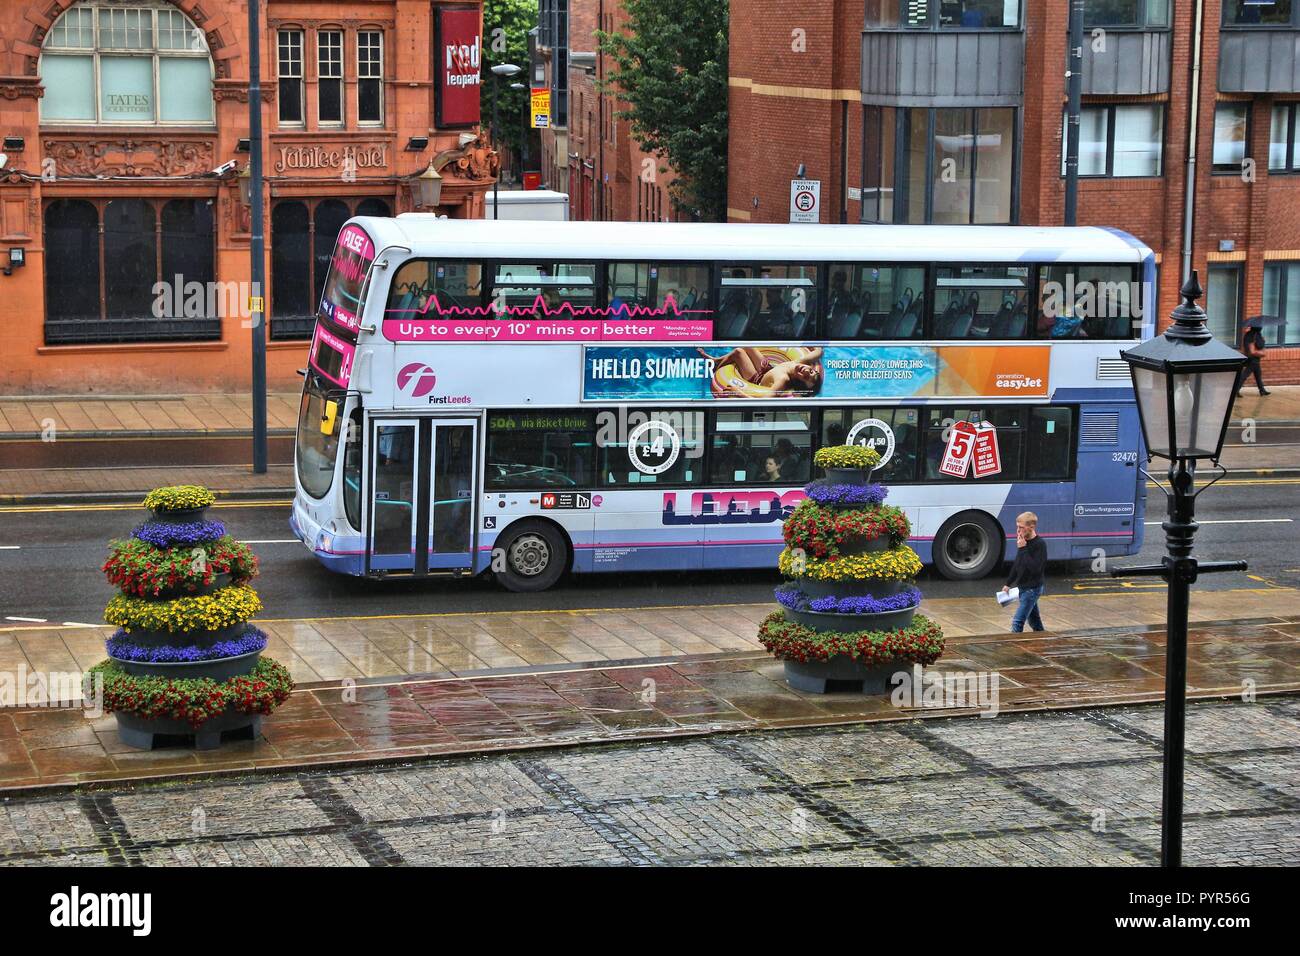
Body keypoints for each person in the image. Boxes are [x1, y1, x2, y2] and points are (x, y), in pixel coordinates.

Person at [698, 346, 824, 396]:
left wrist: (739, 393)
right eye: (811, 372)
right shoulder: (800, 363)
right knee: (747, 346)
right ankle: (717, 360)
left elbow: (765, 400)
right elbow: (819, 352)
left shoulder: (783, 379)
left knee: (738, 352)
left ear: (797, 380)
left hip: (756, 379)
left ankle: (716, 364)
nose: (807, 372)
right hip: (768, 368)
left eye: (805, 377)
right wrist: (817, 341)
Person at [1001, 512, 1047, 633]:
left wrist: (1023, 548)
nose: (1018, 530)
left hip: (1032, 589)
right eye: (1017, 527)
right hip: (1022, 588)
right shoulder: (1023, 542)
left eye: (1021, 527)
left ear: (1031, 527)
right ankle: (1043, 639)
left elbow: (1035, 569)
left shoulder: (1039, 544)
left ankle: (1015, 648)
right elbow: (1018, 564)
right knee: (1035, 622)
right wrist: (1008, 583)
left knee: (1017, 621)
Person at [1239, 326, 1271, 397]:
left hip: (1251, 358)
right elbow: (1258, 346)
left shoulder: (1249, 334)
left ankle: (1262, 390)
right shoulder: (1254, 335)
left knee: (1258, 374)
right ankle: (1235, 390)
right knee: (1245, 375)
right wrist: (1262, 341)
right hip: (1253, 359)